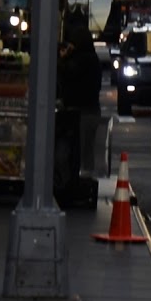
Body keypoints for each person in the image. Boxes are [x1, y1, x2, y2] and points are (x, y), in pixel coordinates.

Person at [54, 19, 103, 197]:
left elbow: (68, 73)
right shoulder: (92, 58)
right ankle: (85, 178)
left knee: (78, 148)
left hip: (81, 111)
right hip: (91, 110)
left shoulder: (82, 60)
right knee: (86, 148)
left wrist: (63, 57)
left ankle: (79, 180)